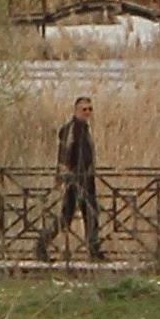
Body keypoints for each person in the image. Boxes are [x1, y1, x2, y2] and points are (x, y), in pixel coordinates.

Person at [49, 95, 106, 264]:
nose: (87, 112)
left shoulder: (85, 129)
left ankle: (94, 250)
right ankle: (42, 244)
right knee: (70, 216)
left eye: (90, 109)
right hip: (75, 180)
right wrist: (63, 175)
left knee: (90, 214)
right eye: (84, 109)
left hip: (86, 179)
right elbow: (64, 154)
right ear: (76, 110)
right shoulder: (71, 129)